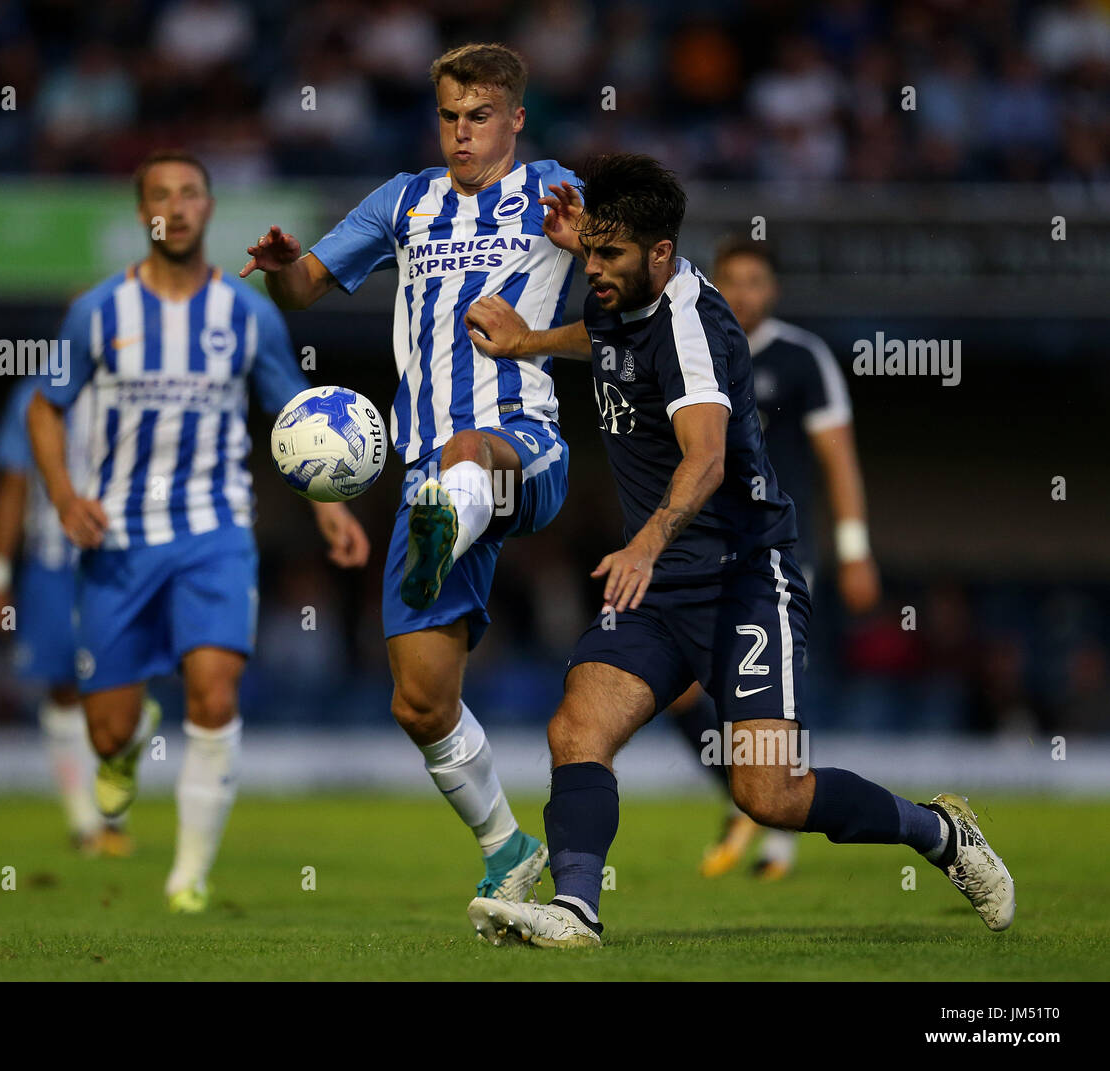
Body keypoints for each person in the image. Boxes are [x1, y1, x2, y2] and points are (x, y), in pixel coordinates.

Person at [462, 153, 1014, 946]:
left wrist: (646, 542)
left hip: (745, 578)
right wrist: (532, 340)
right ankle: (575, 907)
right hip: (662, 585)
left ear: (660, 254)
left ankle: (941, 834)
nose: (591, 268)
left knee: (771, 793)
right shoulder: (629, 284)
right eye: (588, 251)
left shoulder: (692, 325)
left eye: (605, 255)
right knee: (577, 729)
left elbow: (708, 457)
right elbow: (612, 336)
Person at [241, 43, 578, 902]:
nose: (461, 135)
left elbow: (642, 285)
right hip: (425, 466)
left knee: (470, 454)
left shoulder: (555, 191)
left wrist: (592, 250)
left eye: (478, 118)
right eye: (449, 118)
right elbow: (308, 286)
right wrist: (284, 270)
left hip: (520, 445)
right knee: (420, 703)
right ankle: (506, 848)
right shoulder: (405, 200)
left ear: (515, 121)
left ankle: (443, 520)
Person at [28, 149, 369, 913]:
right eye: (161, 194)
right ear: (140, 210)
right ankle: (122, 737)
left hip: (216, 533)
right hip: (115, 539)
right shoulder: (98, 313)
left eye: (191, 194)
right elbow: (45, 407)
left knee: (214, 695)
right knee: (110, 728)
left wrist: (329, 503)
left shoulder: (246, 311)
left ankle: (188, 873)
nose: (176, 207)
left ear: (210, 209)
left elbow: (296, 415)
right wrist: (61, 493)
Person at [673, 236, 882, 881]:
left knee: (769, 693)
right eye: (730, 280)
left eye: (755, 282)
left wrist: (854, 551)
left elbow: (838, 459)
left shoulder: (800, 358)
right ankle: (747, 800)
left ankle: (778, 834)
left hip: (778, 555)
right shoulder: (693, 347)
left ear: (774, 290)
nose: (742, 293)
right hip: (704, 549)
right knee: (680, 692)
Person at [0, 376, 131, 858]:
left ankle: (113, 812)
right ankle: (85, 821)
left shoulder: (141, 389)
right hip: (52, 560)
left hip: (126, 561)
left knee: (121, 687)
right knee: (65, 687)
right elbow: (13, 482)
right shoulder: (36, 397)